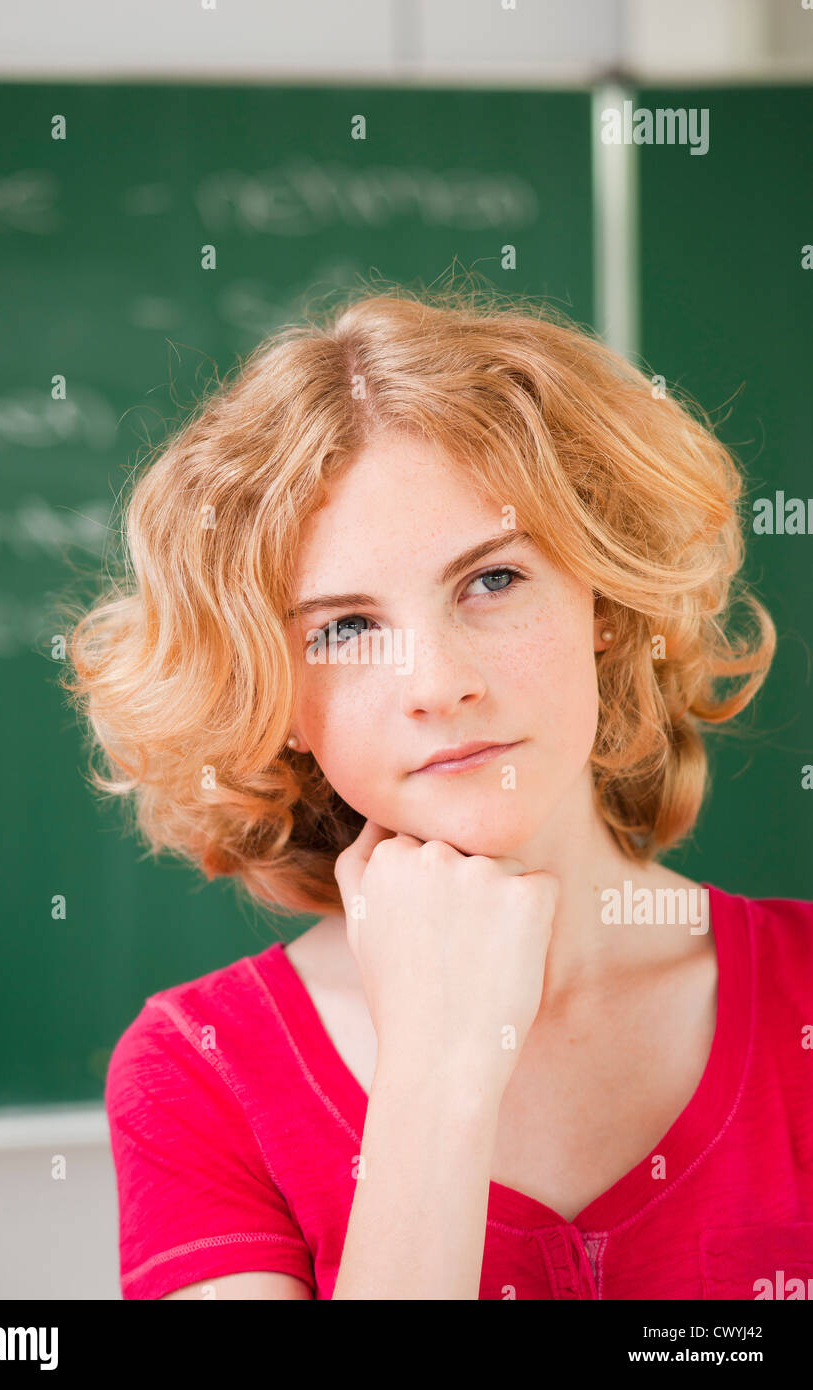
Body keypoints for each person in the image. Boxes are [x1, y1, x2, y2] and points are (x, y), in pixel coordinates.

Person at [64, 285, 813, 1300]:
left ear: (601, 594)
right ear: (274, 696)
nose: (438, 682)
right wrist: (438, 1076)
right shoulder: (199, 1071)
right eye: (344, 628)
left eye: (492, 580)